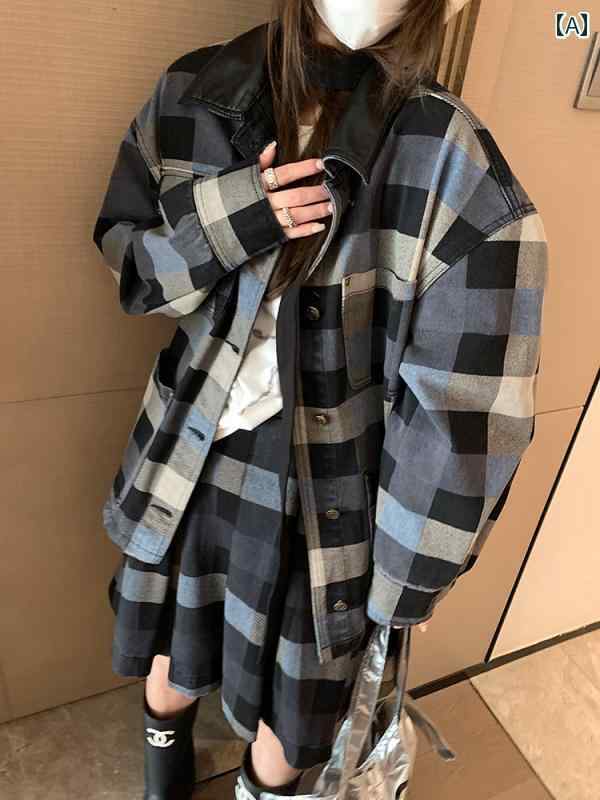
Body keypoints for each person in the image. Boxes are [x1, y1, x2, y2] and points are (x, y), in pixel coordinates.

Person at [92, 1, 548, 798]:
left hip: (333, 492)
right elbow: (131, 266)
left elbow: (468, 408)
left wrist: (412, 573)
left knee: (296, 703)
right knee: (168, 639)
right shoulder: (192, 92)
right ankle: (164, 772)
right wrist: (237, 218)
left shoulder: (452, 160)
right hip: (191, 437)